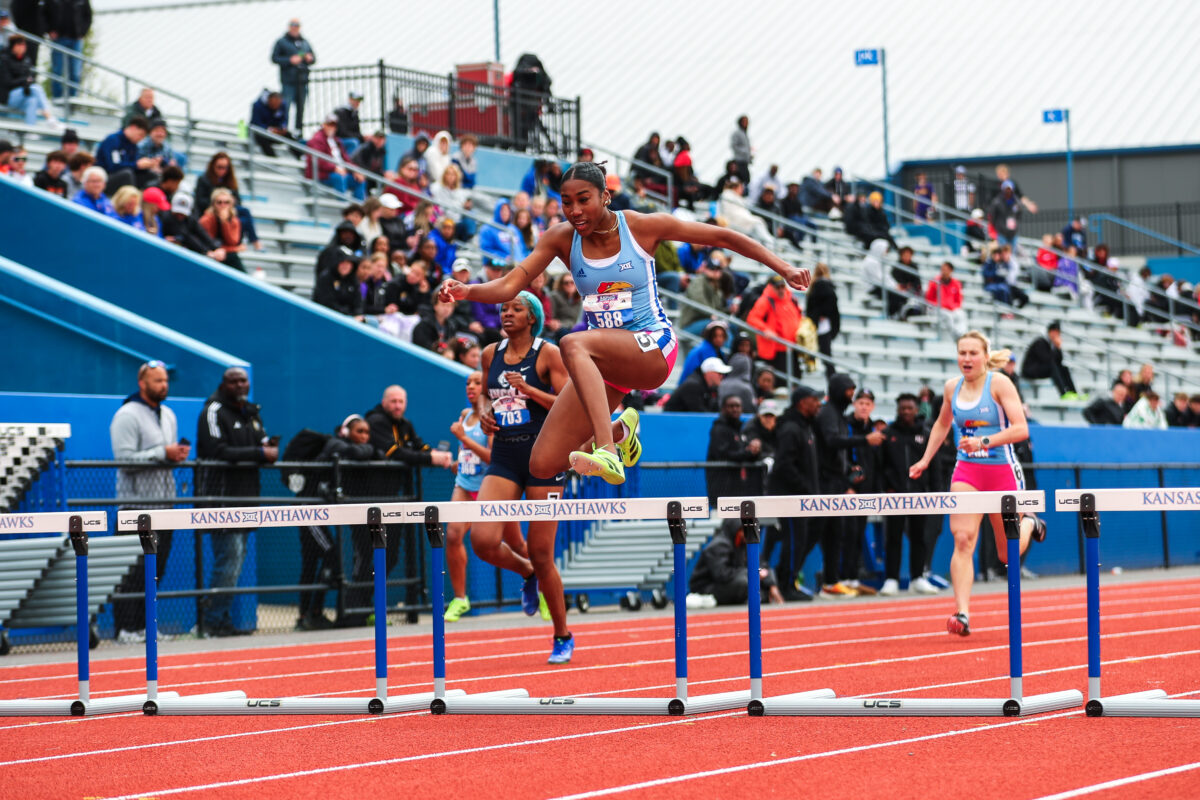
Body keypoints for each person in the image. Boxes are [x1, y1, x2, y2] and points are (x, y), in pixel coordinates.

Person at [437, 161, 809, 485]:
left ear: (605, 197)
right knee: (542, 463)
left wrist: (784, 267)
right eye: (567, 202)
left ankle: (605, 450)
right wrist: (466, 290)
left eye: (584, 199)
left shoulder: (640, 228)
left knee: (572, 342)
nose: (575, 211)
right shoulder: (561, 240)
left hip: (652, 348)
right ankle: (620, 431)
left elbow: (722, 236)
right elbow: (509, 284)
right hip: (605, 363)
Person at [909, 331, 1046, 636]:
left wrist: (985, 440)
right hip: (967, 473)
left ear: (985, 356)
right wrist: (925, 459)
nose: (967, 359)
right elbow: (943, 424)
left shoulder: (999, 383)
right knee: (962, 539)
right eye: (962, 353)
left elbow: (1021, 429)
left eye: (973, 353)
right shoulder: (950, 388)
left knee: (1005, 555)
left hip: (1002, 472)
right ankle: (962, 613)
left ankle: (1030, 525)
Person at [470, 292, 576, 660]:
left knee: (544, 551)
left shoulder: (548, 353)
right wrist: (484, 411)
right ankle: (526, 572)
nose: (507, 314)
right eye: (503, 309)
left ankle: (562, 635)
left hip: (543, 455)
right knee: (482, 540)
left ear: (532, 317)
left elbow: (568, 402)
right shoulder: (490, 353)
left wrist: (529, 390)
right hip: (505, 453)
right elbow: (486, 394)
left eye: (515, 309)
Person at [356, 385, 453, 625]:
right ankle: (357, 609)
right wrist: (429, 458)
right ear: (384, 401)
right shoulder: (376, 421)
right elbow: (394, 453)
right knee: (367, 555)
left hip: (396, 502)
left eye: (401, 401)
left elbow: (419, 447)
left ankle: (371, 606)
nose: (397, 406)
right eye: (393, 401)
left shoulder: (405, 424)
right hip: (369, 502)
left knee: (391, 556)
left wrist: (439, 457)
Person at [109, 360, 189, 643]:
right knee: (133, 571)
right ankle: (126, 630)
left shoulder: (168, 413)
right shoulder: (127, 415)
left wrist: (174, 455)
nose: (163, 385)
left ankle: (145, 627)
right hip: (135, 508)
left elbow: (162, 455)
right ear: (142, 383)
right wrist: (161, 453)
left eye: (166, 380)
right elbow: (123, 460)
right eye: (157, 381)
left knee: (156, 571)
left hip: (164, 507)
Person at [196, 367, 277, 636]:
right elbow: (216, 450)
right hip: (221, 501)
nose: (240, 384)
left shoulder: (251, 413)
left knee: (237, 562)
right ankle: (211, 621)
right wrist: (259, 453)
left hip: (246, 500)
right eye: (235, 381)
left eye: (244, 380)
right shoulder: (213, 411)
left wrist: (267, 450)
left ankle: (222, 619)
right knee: (228, 562)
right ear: (225, 383)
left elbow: (261, 444)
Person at [442, 371, 524, 622]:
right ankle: (460, 598)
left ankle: (540, 583)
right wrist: (459, 461)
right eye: (468, 383)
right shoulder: (465, 416)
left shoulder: (492, 418)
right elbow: (467, 451)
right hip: (465, 485)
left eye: (477, 382)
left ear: (486, 388)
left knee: (516, 543)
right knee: (453, 535)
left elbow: (491, 457)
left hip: (493, 487)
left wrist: (464, 438)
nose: (471, 386)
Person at [294, 415, 377, 630]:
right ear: (346, 431)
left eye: (367, 432)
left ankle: (313, 613)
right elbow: (362, 452)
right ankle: (305, 615)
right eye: (360, 431)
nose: (364, 437)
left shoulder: (344, 446)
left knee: (316, 560)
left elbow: (367, 451)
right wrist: (370, 450)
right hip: (309, 511)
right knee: (329, 556)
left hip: (324, 512)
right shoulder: (336, 444)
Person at [812, 374, 883, 597]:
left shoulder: (838, 415)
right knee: (819, 533)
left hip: (842, 482)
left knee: (841, 532)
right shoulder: (829, 414)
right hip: (828, 484)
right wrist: (864, 441)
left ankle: (836, 581)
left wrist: (848, 472)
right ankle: (792, 580)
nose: (852, 396)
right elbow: (832, 443)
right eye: (850, 393)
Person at [878, 393, 938, 596]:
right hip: (894, 496)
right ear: (897, 410)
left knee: (919, 536)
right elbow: (880, 465)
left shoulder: (926, 433)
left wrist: (934, 492)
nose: (906, 412)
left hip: (919, 495)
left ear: (916, 410)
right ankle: (891, 579)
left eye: (909, 408)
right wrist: (885, 488)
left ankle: (917, 577)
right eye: (902, 408)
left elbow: (934, 466)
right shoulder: (888, 434)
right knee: (892, 537)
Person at [767, 386, 821, 600]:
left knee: (800, 540)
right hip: (790, 498)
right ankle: (786, 586)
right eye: (814, 399)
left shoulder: (805, 427)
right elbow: (784, 465)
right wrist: (804, 487)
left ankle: (788, 582)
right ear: (802, 402)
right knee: (794, 541)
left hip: (801, 497)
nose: (818, 404)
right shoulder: (791, 428)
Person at [688, 519, 784, 607]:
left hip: (730, 582)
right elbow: (722, 574)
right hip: (707, 587)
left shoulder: (744, 543)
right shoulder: (718, 546)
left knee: (764, 575)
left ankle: (759, 597)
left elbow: (762, 565)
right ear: (737, 529)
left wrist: (771, 584)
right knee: (744, 582)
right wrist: (753, 573)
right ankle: (755, 599)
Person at [1, 35, 62, 129]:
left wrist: (27, 82)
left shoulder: (26, 60)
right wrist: (24, 81)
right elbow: (7, 82)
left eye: (24, 45)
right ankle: (50, 118)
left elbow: (31, 78)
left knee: (32, 101)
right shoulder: (4, 60)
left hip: (24, 93)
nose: (22, 48)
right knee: (36, 89)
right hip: (8, 96)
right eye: (19, 45)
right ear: (13, 46)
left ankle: (30, 130)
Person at [705, 395, 756, 505]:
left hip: (737, 488)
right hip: (721, 488)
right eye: (731, 406)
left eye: (738, 406)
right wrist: (747, 453)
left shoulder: (740, 429)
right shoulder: (719, 429)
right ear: (723, 408)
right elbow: (723, 454)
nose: (735, 409)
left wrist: (754, 451)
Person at [746, 274, 803, 373]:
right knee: (780, 380)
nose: (781, 290)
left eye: (782, 287)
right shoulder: (765, 301)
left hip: (792, 347)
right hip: (776, 348)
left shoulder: (790, 299)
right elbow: (752, 318)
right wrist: (765, 329)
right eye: (778, 287)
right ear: (771, 287)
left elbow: (798, 316)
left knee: (795, 376)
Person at [306, 114, 366, 201]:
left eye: (334, 125)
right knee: (339, 178)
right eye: (329, 124)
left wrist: (355, 170)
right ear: (324, 125)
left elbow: (346, 159)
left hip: (339, 172)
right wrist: (335, 168)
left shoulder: (336, 140)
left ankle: (358, 210)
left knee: (359, 180)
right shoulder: (317, 139)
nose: (332, 128)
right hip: (323, 174)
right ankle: (344, 209)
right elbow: (318, 160)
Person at [272, 18, 315, 134]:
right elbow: (274, 58)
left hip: (302, 81)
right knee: (285, 107)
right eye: (292, 25)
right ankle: (283, 130)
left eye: (297, 25)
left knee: (301, 108)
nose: (294, 28)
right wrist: (290, 60)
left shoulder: (305, 42)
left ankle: (298, 131)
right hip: (288, 81)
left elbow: (314, 58)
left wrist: (308, 58)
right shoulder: (281, 42)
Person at [1020, 321, 1081, 400]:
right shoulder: (1040, 342)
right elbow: (1047, 360)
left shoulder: (1051, 344)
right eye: (1056, 332)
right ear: (1051, 331)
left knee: (1063, 368)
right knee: (1052, 367)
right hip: (1030, 371)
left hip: (1041, 368)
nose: (1057, 335)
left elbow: (1059, 361)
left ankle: (1074, 393)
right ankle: (1063, 393)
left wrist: (1058, 348)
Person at [198, 188, 246, 271]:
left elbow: (233, 241)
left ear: (231, 204)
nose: (223, 205)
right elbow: (207, 242)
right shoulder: (206, 220)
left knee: (233, 258)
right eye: (219, 202)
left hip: (227, 255)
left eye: (226, 202)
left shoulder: (234, 220)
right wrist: (234, 249)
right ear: (213, 204)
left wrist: (225, 223)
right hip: (210, 254)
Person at [805, 263, 839, 375]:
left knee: (817, 350)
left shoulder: (816, 285)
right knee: (825, 354)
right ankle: (830, 375)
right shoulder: (825, 284)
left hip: (818, 323)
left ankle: (822, 372)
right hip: (822, 324)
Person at [664, 356, 729, 413]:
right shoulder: (693, 386)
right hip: (673, 424)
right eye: (719, 373)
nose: (722, 376)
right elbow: (700, 414)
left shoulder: (706, 386)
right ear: (709, 373)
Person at [924, 261, 967, 338]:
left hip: (952, 308)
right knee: (948, 316)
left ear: (951, 271)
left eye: (946, 269)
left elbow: (959, 300)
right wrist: (940, 305)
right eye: (943, 269)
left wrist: (953, 307)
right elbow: (929, 298)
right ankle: (956, 336)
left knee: (961, 314)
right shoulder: (935, 281)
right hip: (938, 308)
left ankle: (963, 335)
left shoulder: (956, 283)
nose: (944, 271)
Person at [250, 89, 292, 157]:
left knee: (289, 135)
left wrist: (282, 128)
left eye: (277, 105)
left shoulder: (282, 105)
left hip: (276, 132)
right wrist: (269, 129)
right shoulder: (257, 105)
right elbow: (255, 123)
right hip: (263, 133)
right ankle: (273, 159)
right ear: (268, 101)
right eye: (273, 105)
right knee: (261, 137)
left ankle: (300, 156)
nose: (275, 107)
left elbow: (284, 120)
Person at [730, 115, 751, 184]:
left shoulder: (744, 133)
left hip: (745, 161)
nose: (746, 123)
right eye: (744, 121)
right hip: (739, 161)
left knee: (747, 179)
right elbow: (734, 145)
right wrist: (744, 152)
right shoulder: (737, 133)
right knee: (742, 179)